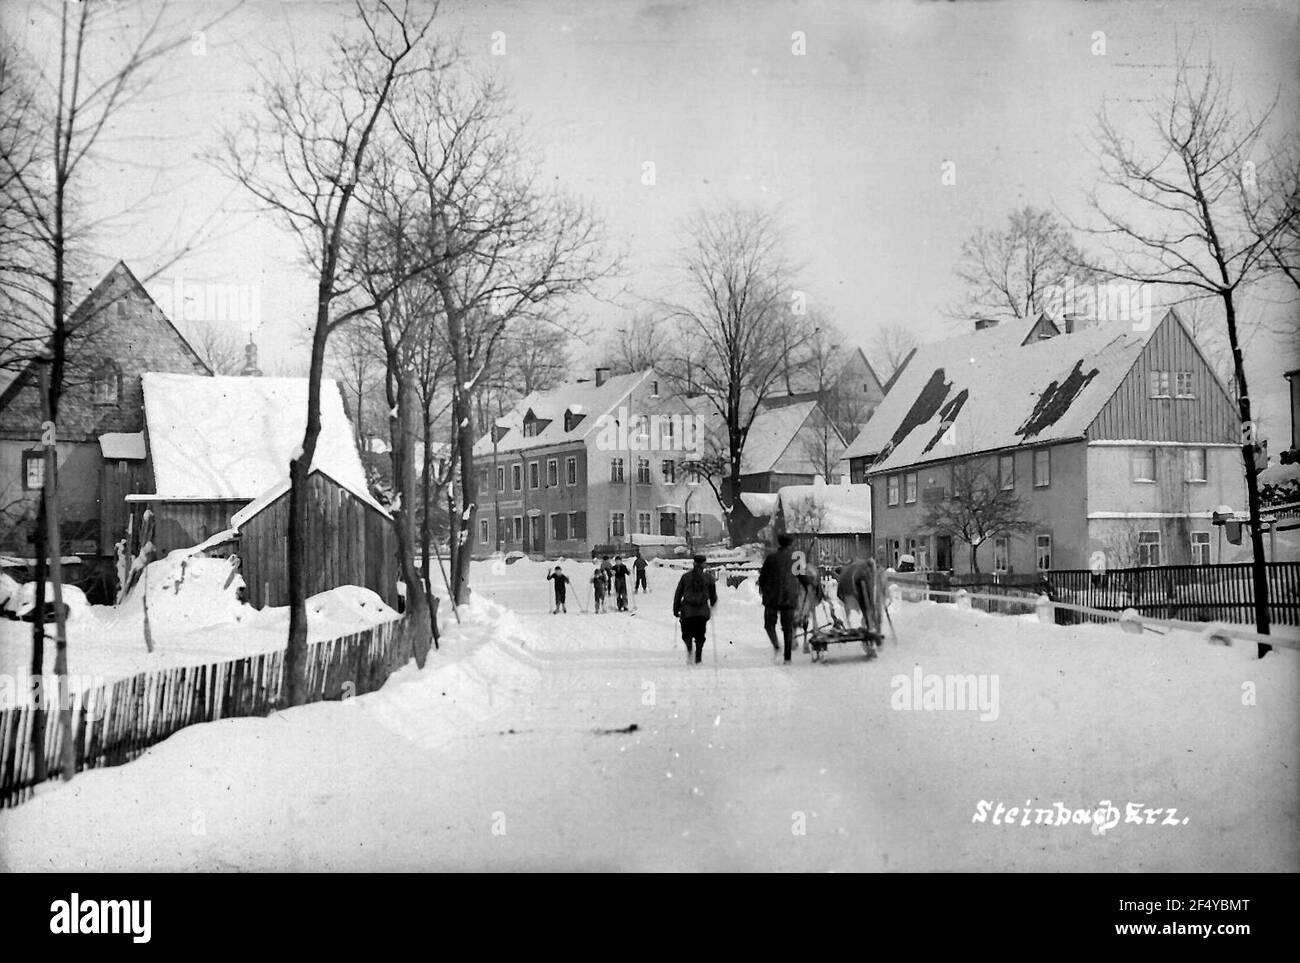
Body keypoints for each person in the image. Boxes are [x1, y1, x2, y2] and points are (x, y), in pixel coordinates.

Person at [757, 533, 802, 663]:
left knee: (769, 625)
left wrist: (764, 590)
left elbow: (762, 577)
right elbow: (801, 577)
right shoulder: (796, 559)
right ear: (790, 544)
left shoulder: (771, 558)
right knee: (788, 628)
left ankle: (776, 645)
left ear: (779, 543)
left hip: (771, 598)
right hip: (789, 598)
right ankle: (787, 658)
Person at [673, 554, 717, 664]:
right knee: (700, 635)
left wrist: (676, 609)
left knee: (687, 634)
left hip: (687, 611)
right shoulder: (708, 578)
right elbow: (713, 595)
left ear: (694, 563)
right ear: (704, 564)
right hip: (702, 612)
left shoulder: (685, 577)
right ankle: (698, 657)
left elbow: (678, 594)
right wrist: (712, 604)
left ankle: (689, 650)